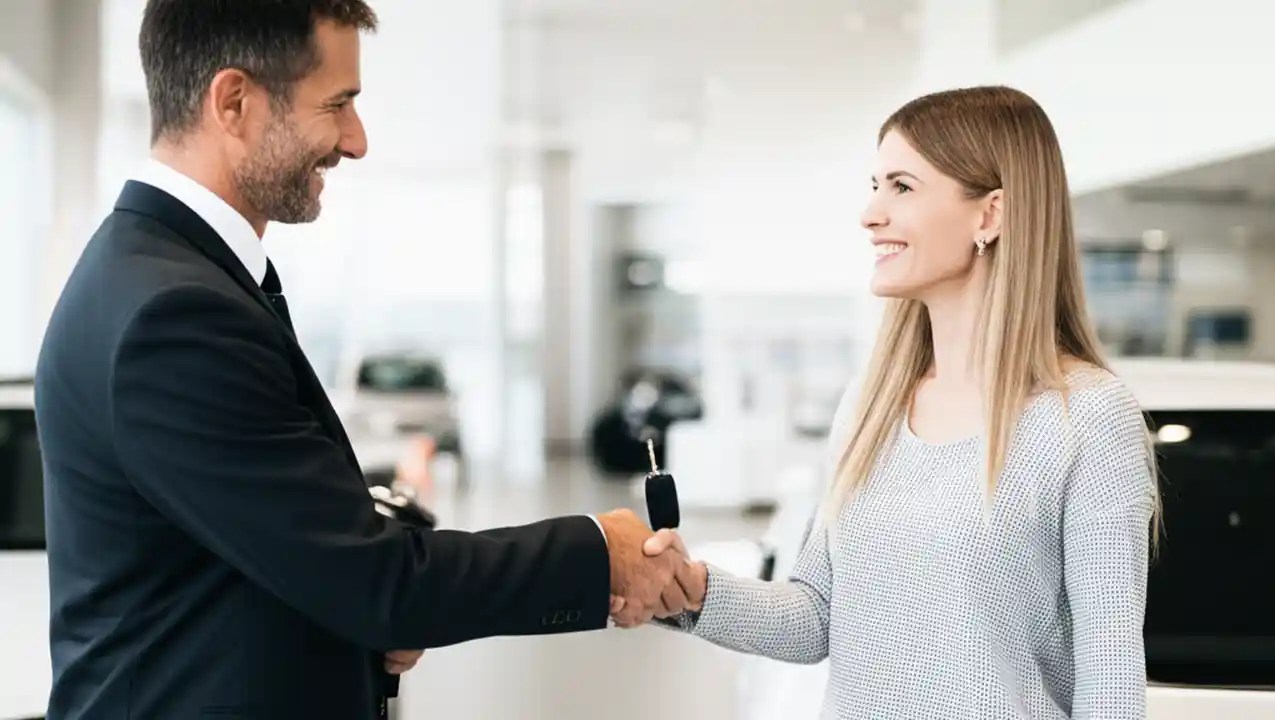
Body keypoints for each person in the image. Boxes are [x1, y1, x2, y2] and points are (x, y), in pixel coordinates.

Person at [34, 2, 692, 718]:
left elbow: (255, 548)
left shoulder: (164, 273)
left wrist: (355, 612)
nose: (356, 140)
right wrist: (600, 552)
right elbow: (374, 582)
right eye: (338, 104)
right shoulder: (174, 312)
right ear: (233, 101)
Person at [626, 86, 1161, 719]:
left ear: (991, 215)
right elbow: (817, 616)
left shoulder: (1089, 420)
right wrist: (691, 594)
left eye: (901, 187)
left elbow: (1112, 691)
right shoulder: (871, 405)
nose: (870, 213)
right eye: (874, 184)